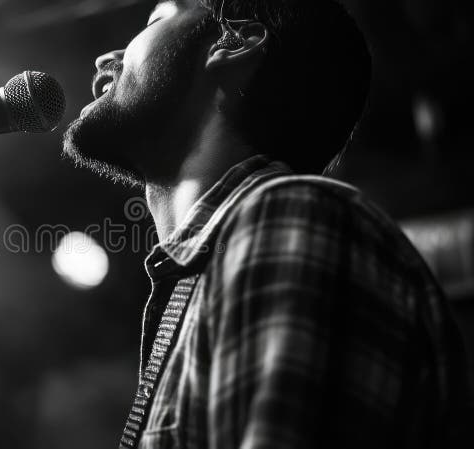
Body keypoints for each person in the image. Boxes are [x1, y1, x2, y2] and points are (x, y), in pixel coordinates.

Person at [62, 0, 472, 448]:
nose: (105, 58)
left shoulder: (292, 214)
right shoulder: (228, 257)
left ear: (232, 44)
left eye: (155, 19)